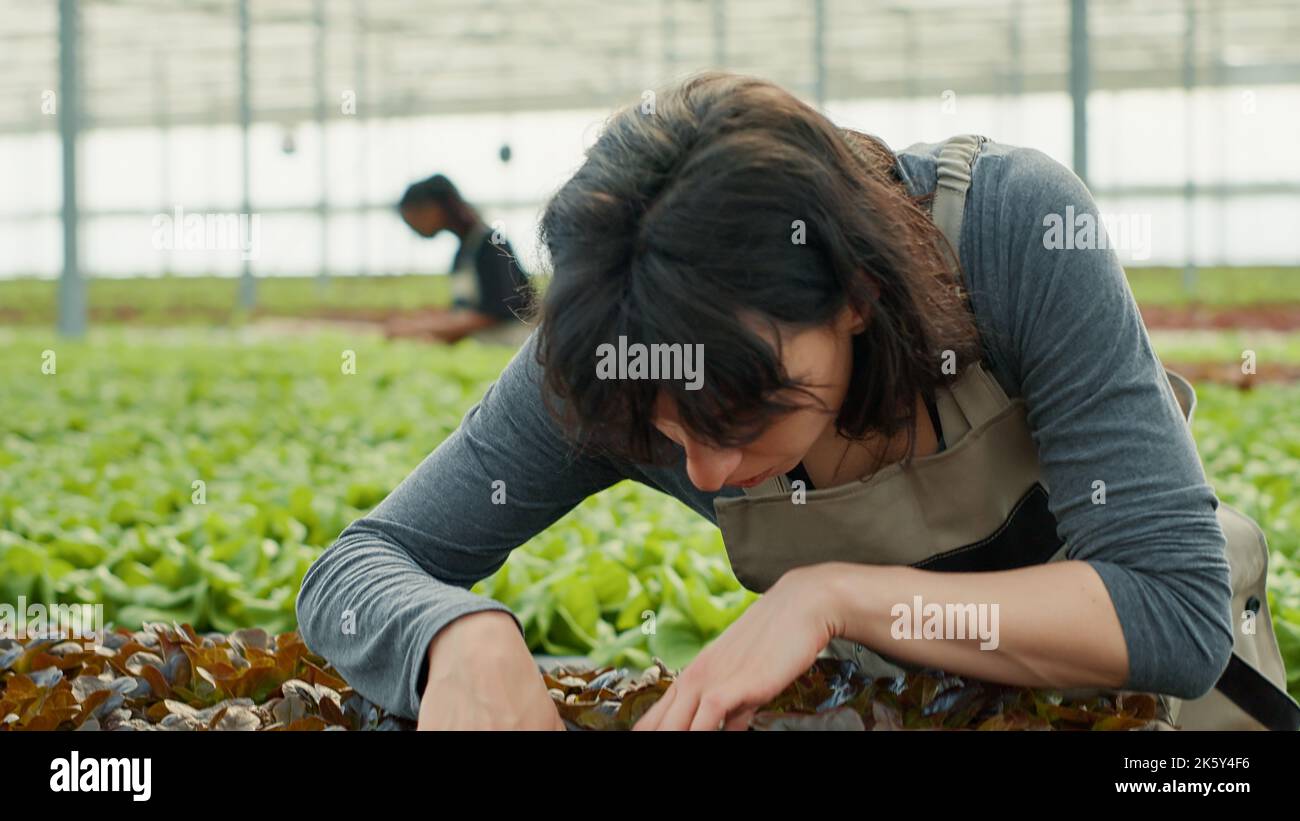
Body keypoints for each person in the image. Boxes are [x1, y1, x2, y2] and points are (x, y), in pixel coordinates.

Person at [297, 73, 1295, 731]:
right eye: (659, 432)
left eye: (742, 418)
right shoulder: (611, 352)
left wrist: (835, 593)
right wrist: (454, 635)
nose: (704, 471)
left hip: (1163, 703)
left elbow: (1168, 612)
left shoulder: (1009, 229)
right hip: (910, 700)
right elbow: (354, 568)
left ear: (856, 296)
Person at [389, 173, 533, 345]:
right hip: (481, 347)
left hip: (510, 346)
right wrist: (431, 320)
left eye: (414, 217)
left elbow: (496, 312)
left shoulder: (491, 244)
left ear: (433, 209)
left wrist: (422, 327)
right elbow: (466, 310)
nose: (413, 227)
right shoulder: (464, 252)